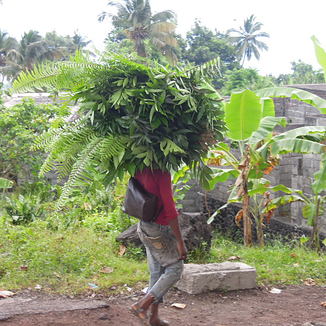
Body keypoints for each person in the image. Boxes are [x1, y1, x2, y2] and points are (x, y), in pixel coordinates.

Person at [130, 168, 187, 326]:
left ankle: (153, 318)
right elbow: (170, 209)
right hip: (157, 229)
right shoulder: (161, 172)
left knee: (156, 272)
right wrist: (180, 243)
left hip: (144, 225)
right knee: (175, 268)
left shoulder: (139, 166)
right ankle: (142, 305)